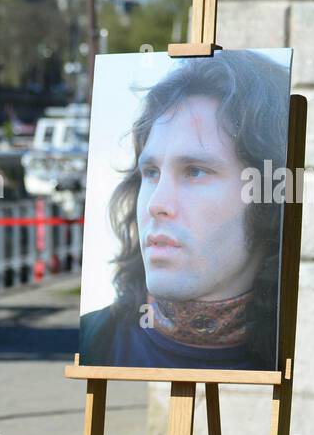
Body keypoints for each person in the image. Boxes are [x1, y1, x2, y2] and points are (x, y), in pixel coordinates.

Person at [81, 50, 290, 371]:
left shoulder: (303, 358)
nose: (156, 204)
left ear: (269, 195)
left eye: (194, 171)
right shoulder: (93, 342)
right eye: (151, 172)